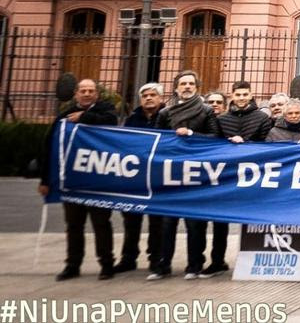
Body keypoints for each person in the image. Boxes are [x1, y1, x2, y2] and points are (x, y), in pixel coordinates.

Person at [39, 78, 118, 281]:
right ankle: (72, 265)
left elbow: (111, 121)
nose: (86, 94)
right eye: (83, 90)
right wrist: (45, 180)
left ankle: (106, 264)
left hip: (98, 182)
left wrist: (84, 116)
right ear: (76, 94)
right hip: (73, 182)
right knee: (74, 225)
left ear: (96, 94)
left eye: (90, 90)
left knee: (101, 223)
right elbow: (50, 147)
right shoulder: (64, 116)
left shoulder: (104, 109)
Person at [153, 70, 222, 280]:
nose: (187, 87)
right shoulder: (165, 113)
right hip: (171, 174)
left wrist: (192, 134)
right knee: (167, 223)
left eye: (191, 83)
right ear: (176, 88)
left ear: (196, 87)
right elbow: (157, 141)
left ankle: (194, 265)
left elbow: (214, 137)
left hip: (196, 175)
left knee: (195, 224)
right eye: (183, 83)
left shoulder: (206, 111)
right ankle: (163, 265)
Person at [206, 79, 272, 277]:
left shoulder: (262, 118)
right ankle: (217, 260)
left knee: (257, 219)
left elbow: (268, 146)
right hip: (227, 178)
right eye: (238, 95)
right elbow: (214, 146)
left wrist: (247, 144)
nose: (242, 98)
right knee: (220, 221)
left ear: (251, 95)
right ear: (232, 96)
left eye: (245, 94)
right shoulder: (222, 119)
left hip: (254, 177)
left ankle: (256, 260)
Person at [114, 82, 164, 276]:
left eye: (153, 95)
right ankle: (128, 257)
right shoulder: (132, 119)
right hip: (135, 179)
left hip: (159, 179)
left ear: (160, 98)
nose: (149, 98)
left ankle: (155, 259)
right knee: (131, 220)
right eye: (145, 96)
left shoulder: (167, 117)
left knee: (157, 221)